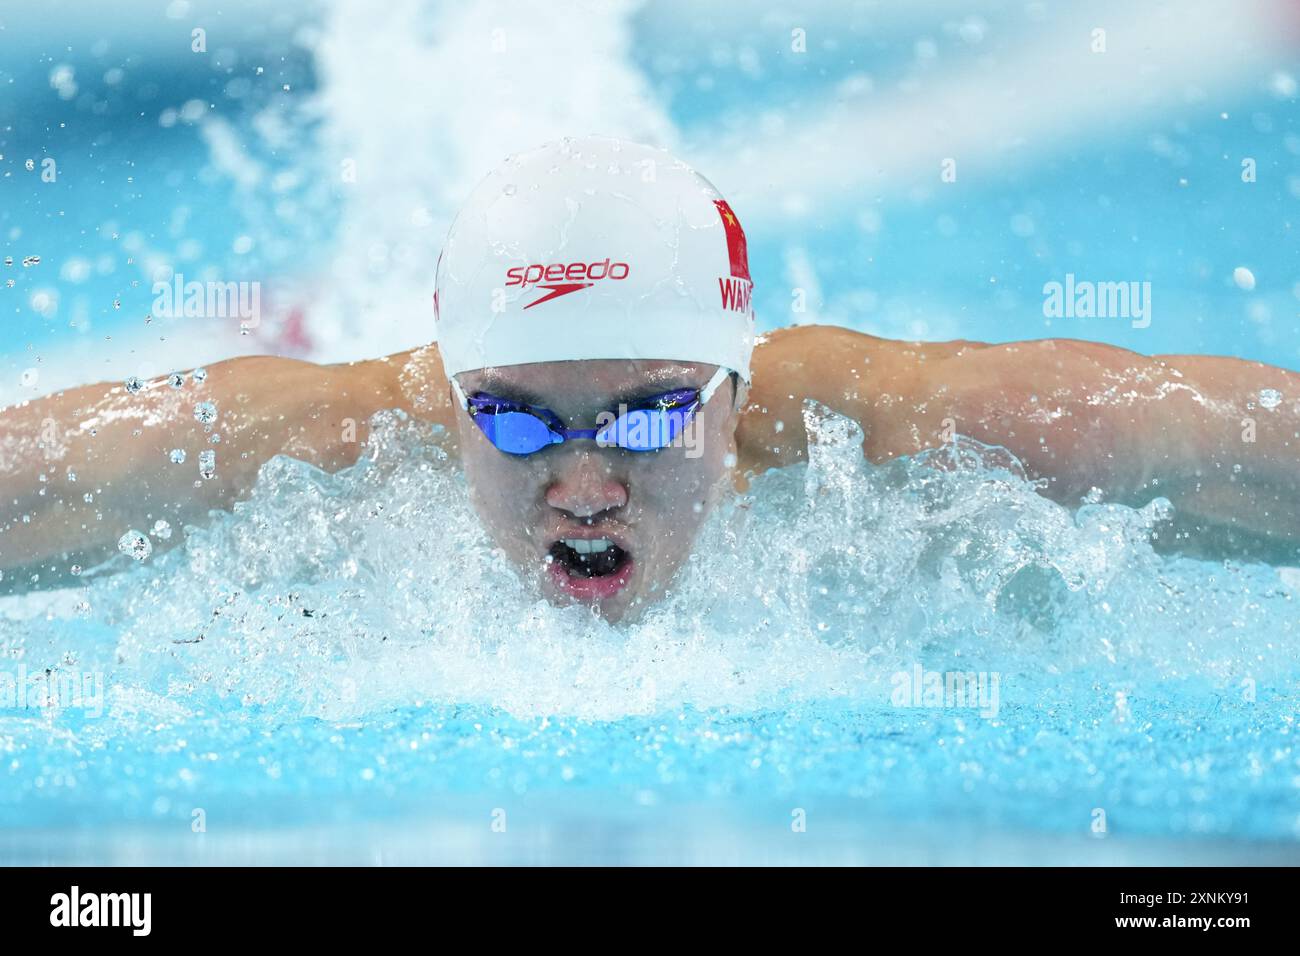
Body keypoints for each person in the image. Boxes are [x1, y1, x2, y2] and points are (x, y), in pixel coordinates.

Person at [2, 136, 1298, 621]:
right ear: (451, 405)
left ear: (734, 394)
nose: (581, 484)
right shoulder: (307, 449)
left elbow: (1219, 434)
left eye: (647, 415)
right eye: (511, 420)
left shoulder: (934, 439)